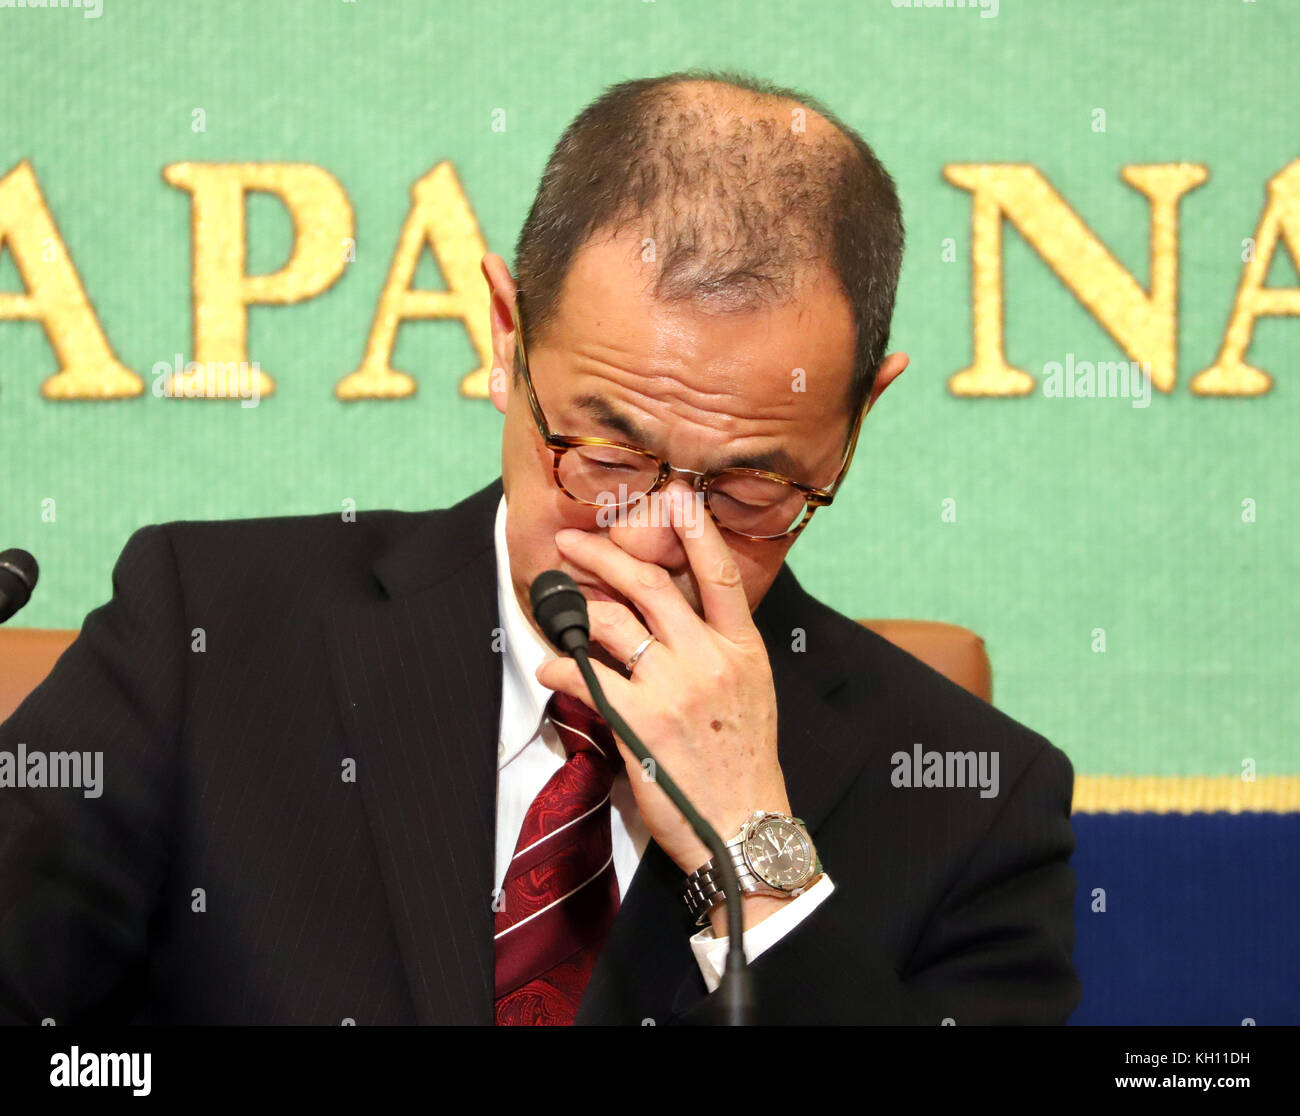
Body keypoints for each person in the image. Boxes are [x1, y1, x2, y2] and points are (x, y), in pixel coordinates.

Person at [0, 70, 1080, 1025]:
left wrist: (752, 853)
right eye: (606, 449)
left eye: (752, 484)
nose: (656, 537)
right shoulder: (208, 633)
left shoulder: (974, 800)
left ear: (858, 417)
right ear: (506, 334)